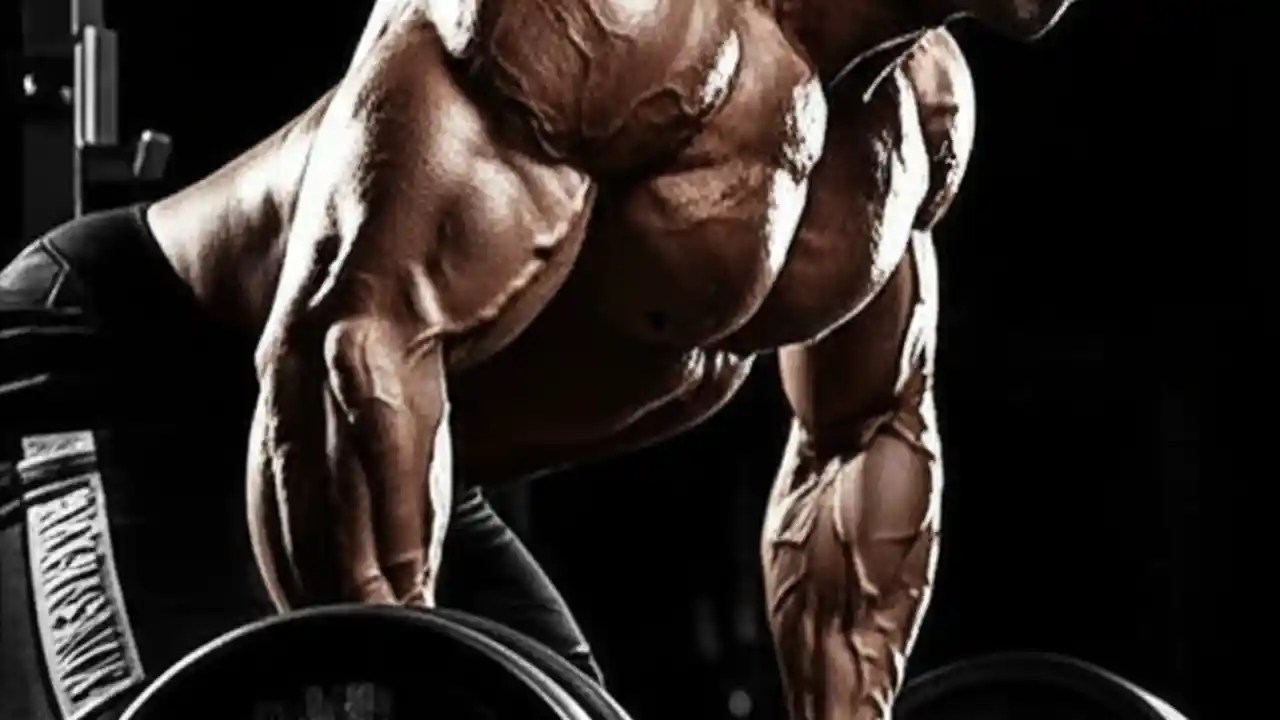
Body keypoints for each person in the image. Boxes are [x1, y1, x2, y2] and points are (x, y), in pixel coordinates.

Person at [0, 0, 1078, 717]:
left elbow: (863, 431)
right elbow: (350, 343)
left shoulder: (906, 124)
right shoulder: (611, 23)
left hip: (407, 457)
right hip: (139, 379)